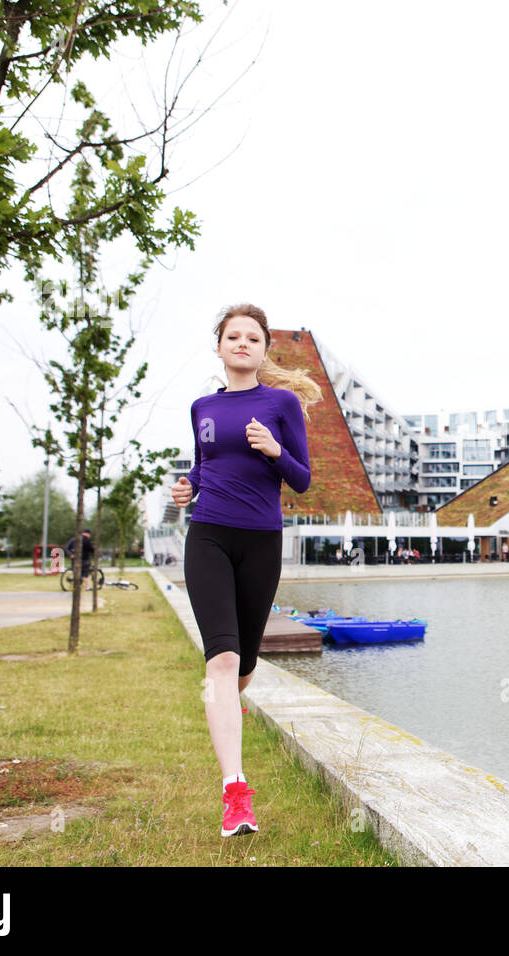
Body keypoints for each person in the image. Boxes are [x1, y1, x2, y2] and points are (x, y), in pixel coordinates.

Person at [170, 304, 321, 838]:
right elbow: (203, 464)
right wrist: (187, 487)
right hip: (208, 534)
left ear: (263, 350)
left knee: (244, 665)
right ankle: (236, 793)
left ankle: (228, 706)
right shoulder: (202, 407)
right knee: (223, 658)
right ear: (220, 347)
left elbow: (302, 479)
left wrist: (275, 449)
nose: (241, 343)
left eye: (251, 337)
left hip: (261, 542)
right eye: (232, 336)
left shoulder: (280, 404)